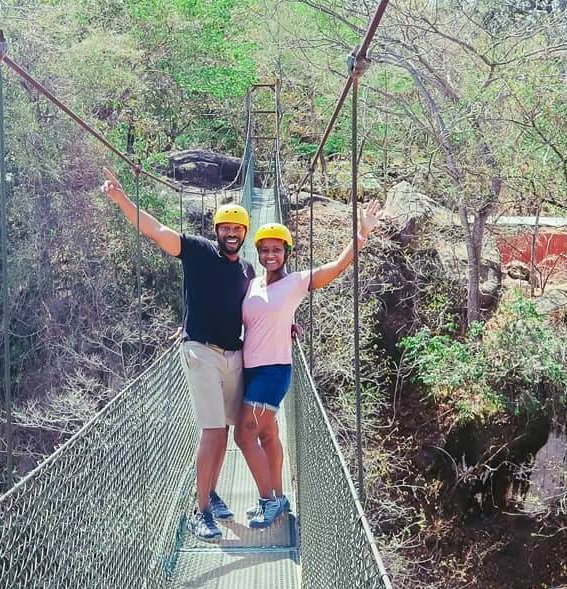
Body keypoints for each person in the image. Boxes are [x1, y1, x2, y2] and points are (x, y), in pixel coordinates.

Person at [100, 166, 253, 541]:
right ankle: (200, 512)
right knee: (213, 431)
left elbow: (263, 307)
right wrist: (122, 199)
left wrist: (289, 325)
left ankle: (211, 493)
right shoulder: (200, 252)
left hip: (236, 355)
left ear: (244, 234)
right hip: (200, 351)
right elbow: (156, 231)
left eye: (237, 229)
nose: (231, 234)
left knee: (226, 432)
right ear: (216, 231)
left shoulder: (248, 269)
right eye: (225, 228)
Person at [236, 201, 382, 529]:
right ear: (258, 252)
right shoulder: (253, 284)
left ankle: (268, 501)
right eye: (264, 249)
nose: (270, 255)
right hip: (250, 369)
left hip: (274, 371)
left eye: (276, 249)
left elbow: (336, 267)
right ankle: (278, 495)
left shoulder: (298, 281)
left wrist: (362, 234)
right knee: (267, 435)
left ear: (286, 252)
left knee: (245, 436)